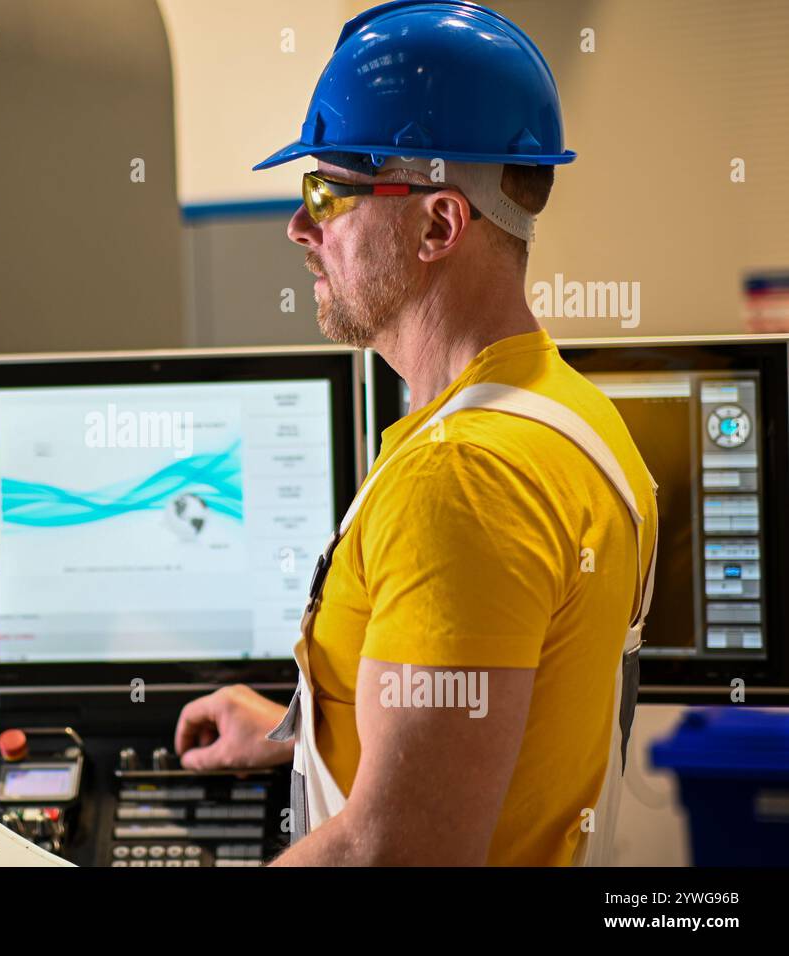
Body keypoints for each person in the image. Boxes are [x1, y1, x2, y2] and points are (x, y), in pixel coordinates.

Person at [174, 0, 658, 866]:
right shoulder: (571, 414)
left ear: (438, 224)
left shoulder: (465, 481)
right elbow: (502, 714)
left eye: (327, 192)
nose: (299, 226)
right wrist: (306, 727)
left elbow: (391, 852)